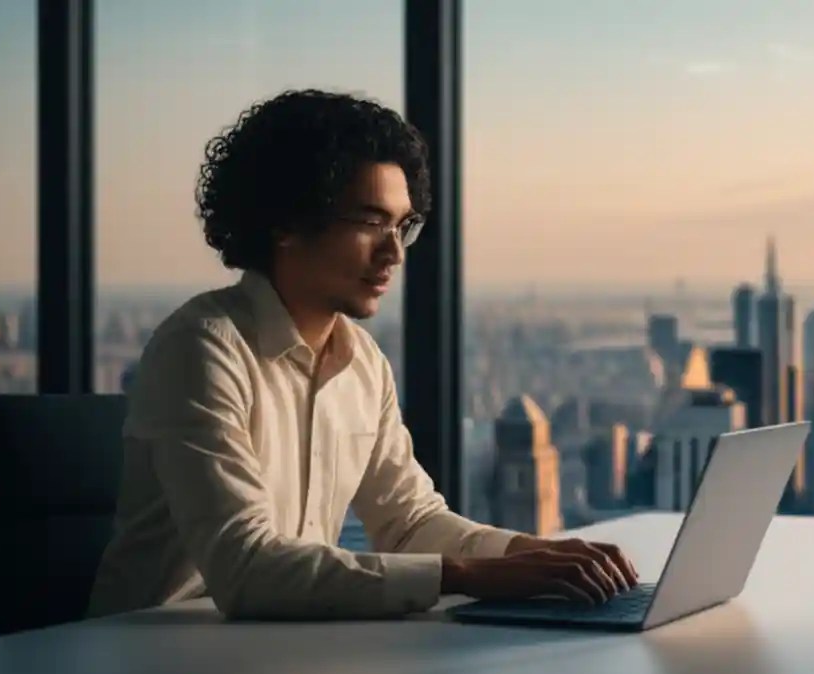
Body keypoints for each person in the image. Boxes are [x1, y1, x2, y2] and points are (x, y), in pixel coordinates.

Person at [88, 90, 637, 619]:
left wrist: (538, 557)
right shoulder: (203, 348)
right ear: (286, 223)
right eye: (371, 222)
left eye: (402, 226)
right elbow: (247, 567)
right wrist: (467, 577)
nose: (394, 252)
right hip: (153, 659)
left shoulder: (362, 363)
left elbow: (410, 522)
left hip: (276, 655)